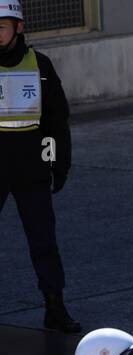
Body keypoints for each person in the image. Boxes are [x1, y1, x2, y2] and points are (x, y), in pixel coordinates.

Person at [0, 0, 79, 333]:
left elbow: (56, 121)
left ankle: (54, 306)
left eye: (1, 26)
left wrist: (59, 164)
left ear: (19, 27)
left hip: (31, 169)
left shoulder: (40, 66)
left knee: (43, 240)